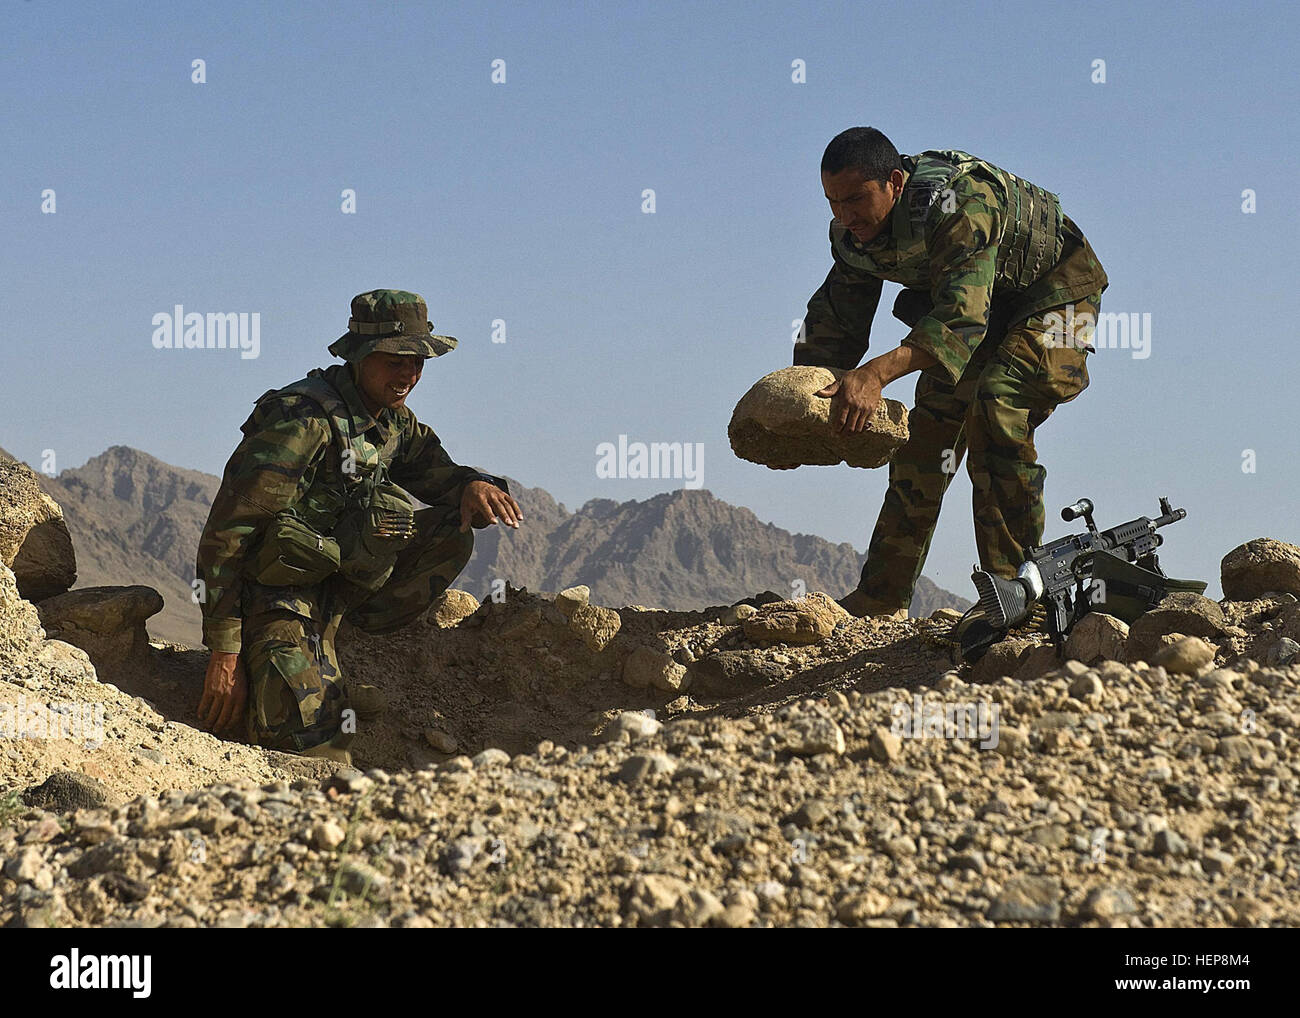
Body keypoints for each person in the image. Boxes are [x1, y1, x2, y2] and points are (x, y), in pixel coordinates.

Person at [791, 127, 1108, 618]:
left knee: (998, 404)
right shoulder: (853, 234)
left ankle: (1017, 595)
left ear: (895, 182)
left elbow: (961, 322)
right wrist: (801, 397)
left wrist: (875, 376)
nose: (843, 215)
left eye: (855, 199)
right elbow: (835, 325)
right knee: (926, 437)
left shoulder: (959, 204)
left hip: (1058, 298)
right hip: (984, 310)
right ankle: (880, 597)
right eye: (832, 201)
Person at [195, 289, 522, 762]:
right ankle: (290, 653)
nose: (409, 374)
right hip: (278, 594)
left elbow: (439, 476)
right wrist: (225, 652)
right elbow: (227, 534)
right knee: (318, 749)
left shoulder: (393, 423)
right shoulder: (302, 421)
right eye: (396, 360)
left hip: (341, 582)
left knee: (455, 522)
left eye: (418, 362)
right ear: (362, 355)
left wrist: (474, 484)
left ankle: (346, 635)